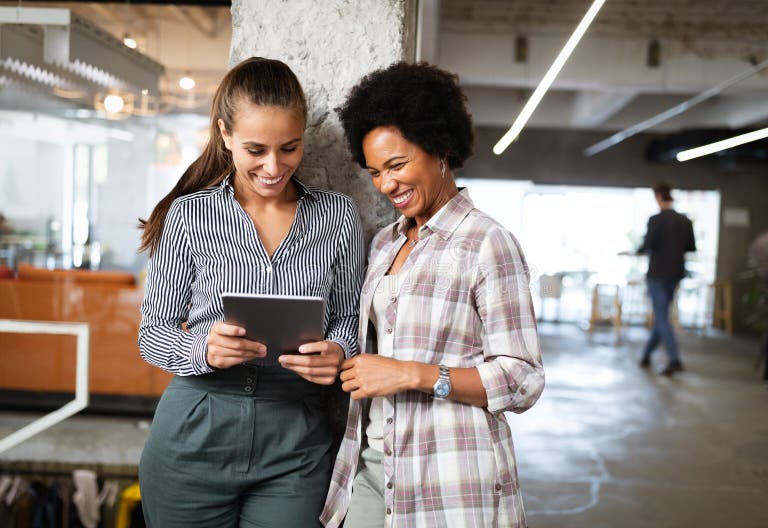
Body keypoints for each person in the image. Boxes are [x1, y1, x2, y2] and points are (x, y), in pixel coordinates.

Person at [137, 57, 364, 527]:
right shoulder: (189, 216)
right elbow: (152, 333)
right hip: (195, 429)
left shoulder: (337, 216)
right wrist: (203, 348)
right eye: (255, 149)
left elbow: (347, 318)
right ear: (224, 135)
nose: (273, 166)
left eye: (290, 148)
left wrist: (338, 351)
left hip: (295, 437)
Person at [320, 62, 545, 528]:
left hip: (451, 475)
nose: (386, 185)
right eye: (375, 172)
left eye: (397, 165)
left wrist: (410, 374)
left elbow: (522, 379)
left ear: (440, 147)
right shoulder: (383, 243)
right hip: (371, 470)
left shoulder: (487, 242)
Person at [636, 183, 696, 376]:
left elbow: (647, 245)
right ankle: (646, 355)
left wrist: (638, 251)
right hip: (675, 273)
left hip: (657, 274)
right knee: (661, 315)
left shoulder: (655, 220)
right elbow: (690, 247)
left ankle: (674, 359)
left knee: (661, 317)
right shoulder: (685, 221)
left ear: (659, 197)